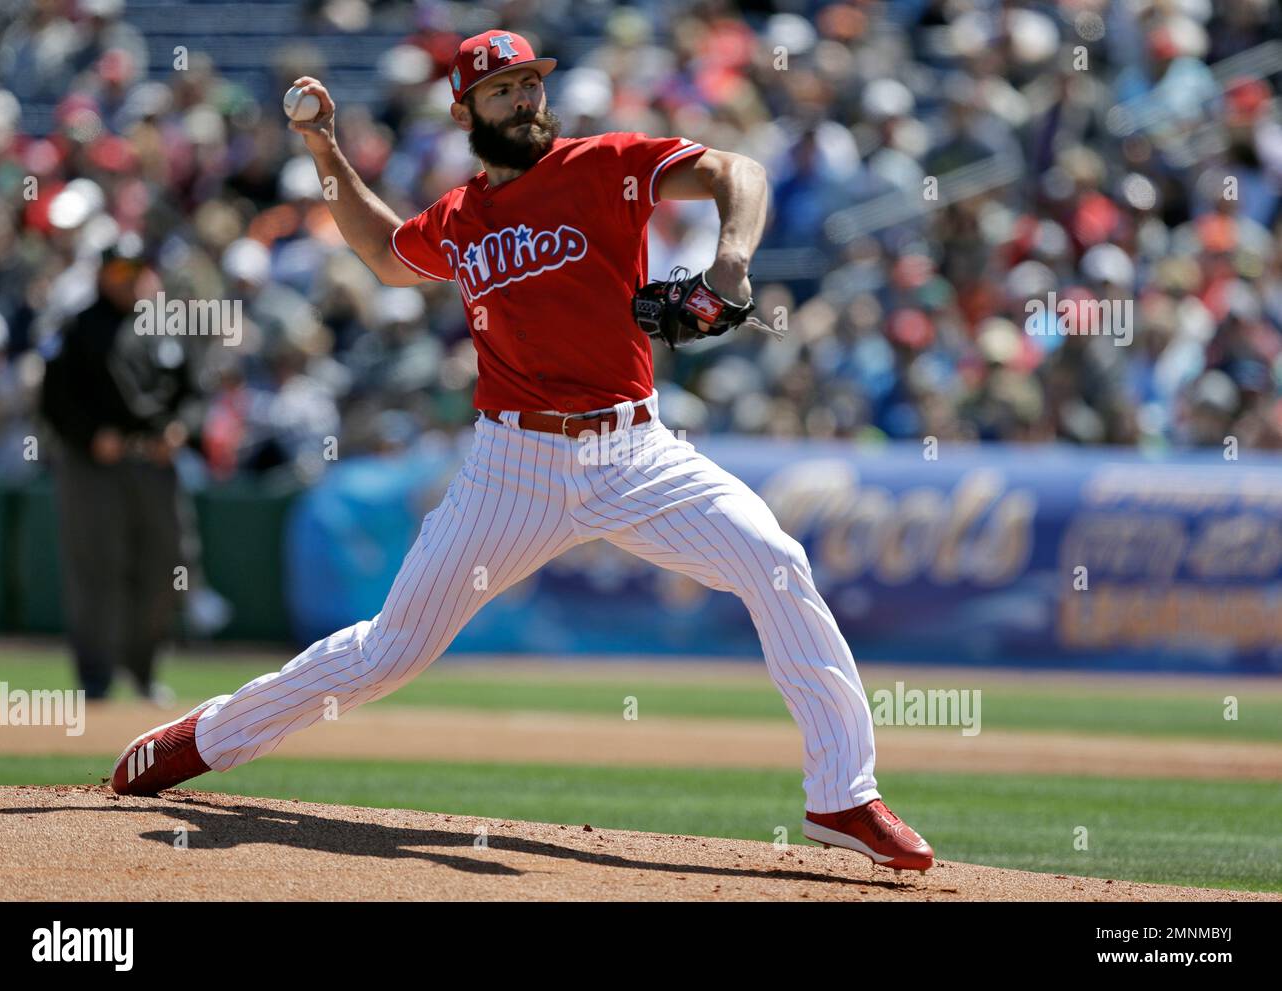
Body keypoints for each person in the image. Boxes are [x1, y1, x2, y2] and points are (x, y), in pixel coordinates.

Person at [109, 30, 934, 873]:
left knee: (775, 560)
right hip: (513, 469)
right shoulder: (461, 217)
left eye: (531, 83)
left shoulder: (602, 163)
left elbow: (738, 171)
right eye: (502, 89)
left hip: (636, 450)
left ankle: (842, 793)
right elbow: (386, 255)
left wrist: (731, 258)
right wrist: (323, 146)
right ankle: (205, 737)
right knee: (390, 650)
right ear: (464, 109)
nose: (526, 98)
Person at [40, 236, 197, 702]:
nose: (129, 280)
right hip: (95, 465)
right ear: (102, 275)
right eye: (119, 271)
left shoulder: (165, 327)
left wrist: (181, 428)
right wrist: (89, 436)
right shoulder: (77, 327)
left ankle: (143, 672)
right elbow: (53, 400)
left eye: (136, 270)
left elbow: (194, 395)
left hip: (153, 462)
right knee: (97, 568)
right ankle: (95, 679)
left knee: (165, 566)